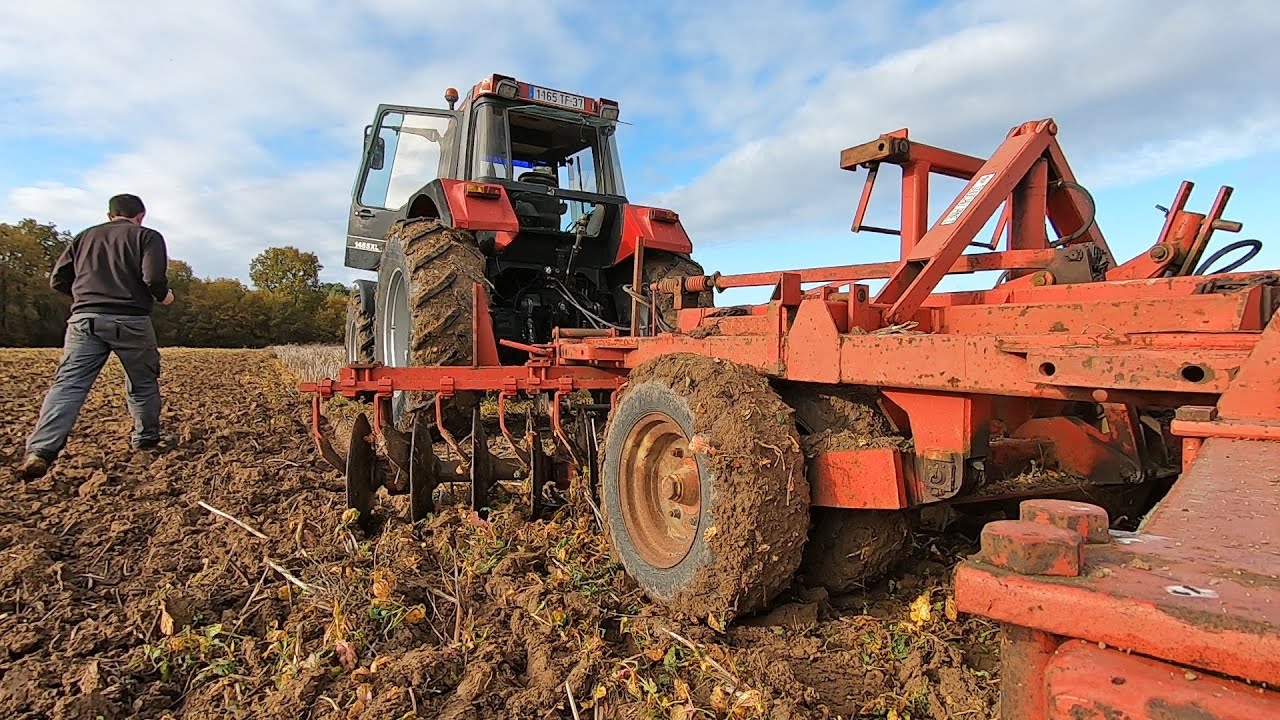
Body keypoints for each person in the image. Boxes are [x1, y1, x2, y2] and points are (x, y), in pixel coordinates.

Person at [20, 194, 175, 479]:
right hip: (131, 320)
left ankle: (40, 450)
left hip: (84, 320)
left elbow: (57, 279)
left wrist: (85, 299)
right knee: (142, 383)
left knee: (68, 385)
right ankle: (147, 439)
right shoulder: (147, 237)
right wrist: (164, 297)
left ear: (109, 214)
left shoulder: (83, 237)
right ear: (141, 215)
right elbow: (153, 278)